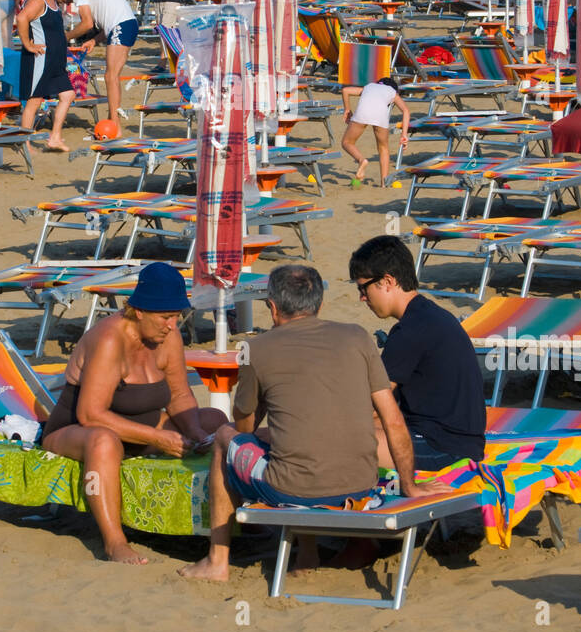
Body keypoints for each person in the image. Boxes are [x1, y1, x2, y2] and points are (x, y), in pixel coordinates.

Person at [179, 263, 445, 583]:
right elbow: (394, 421)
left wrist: (263, 401)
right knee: (295, 437)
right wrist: (410, 485)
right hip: (360, 485)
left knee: (225, 436)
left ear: (273, 308)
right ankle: (307, 554)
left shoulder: (256, 349)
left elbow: (244, 427)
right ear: (320, 305)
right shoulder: (358, 337)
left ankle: (216, 562)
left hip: (293, 490)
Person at [42, 263, 227, 565]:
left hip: (140, 430)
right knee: (104, 441)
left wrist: (195, 432)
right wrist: (159, 438)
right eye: (165, 317)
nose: (172, 324)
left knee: (215, 422)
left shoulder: (169, 337)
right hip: (75, 431)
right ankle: (114, 541)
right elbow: (90, 414)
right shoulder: (109, 340)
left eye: (176, 316)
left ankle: (223, 522)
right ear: (139, 311)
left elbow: (180, 396)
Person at [349, 235, 486, 471]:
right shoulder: (430, 315)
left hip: (443, 448)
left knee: (335, 439)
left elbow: (370, 404)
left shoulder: (409, 332)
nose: (362, 297)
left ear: (387, 281)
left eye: (363, 287)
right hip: (456, 438)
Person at [65, 0, 139, 131]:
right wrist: (94, 40)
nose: (63, 2)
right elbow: (108, 19)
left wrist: (65, 37)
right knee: (113, 76)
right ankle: (113, 119)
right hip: (125, 24)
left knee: (110, 76)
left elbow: (87, 23)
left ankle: (114, 125)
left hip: (122, 25)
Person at [14, 0, 76, 152]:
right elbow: (22, 17)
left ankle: (55, 137)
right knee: (34, 101)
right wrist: (27, 43)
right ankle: (25, 143)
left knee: (68, 94)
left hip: (55, 60)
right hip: (40, 59)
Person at [341, 74, 410, 186]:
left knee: (347, 142)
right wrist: (404, 134)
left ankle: (361, 160)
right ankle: (384, 183)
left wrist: (347, 109)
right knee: (383, 148)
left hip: (363, 112)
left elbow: (345, 90)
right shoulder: (392, 92)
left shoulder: (369, 86)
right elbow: (406, 111)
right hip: (381, 115)